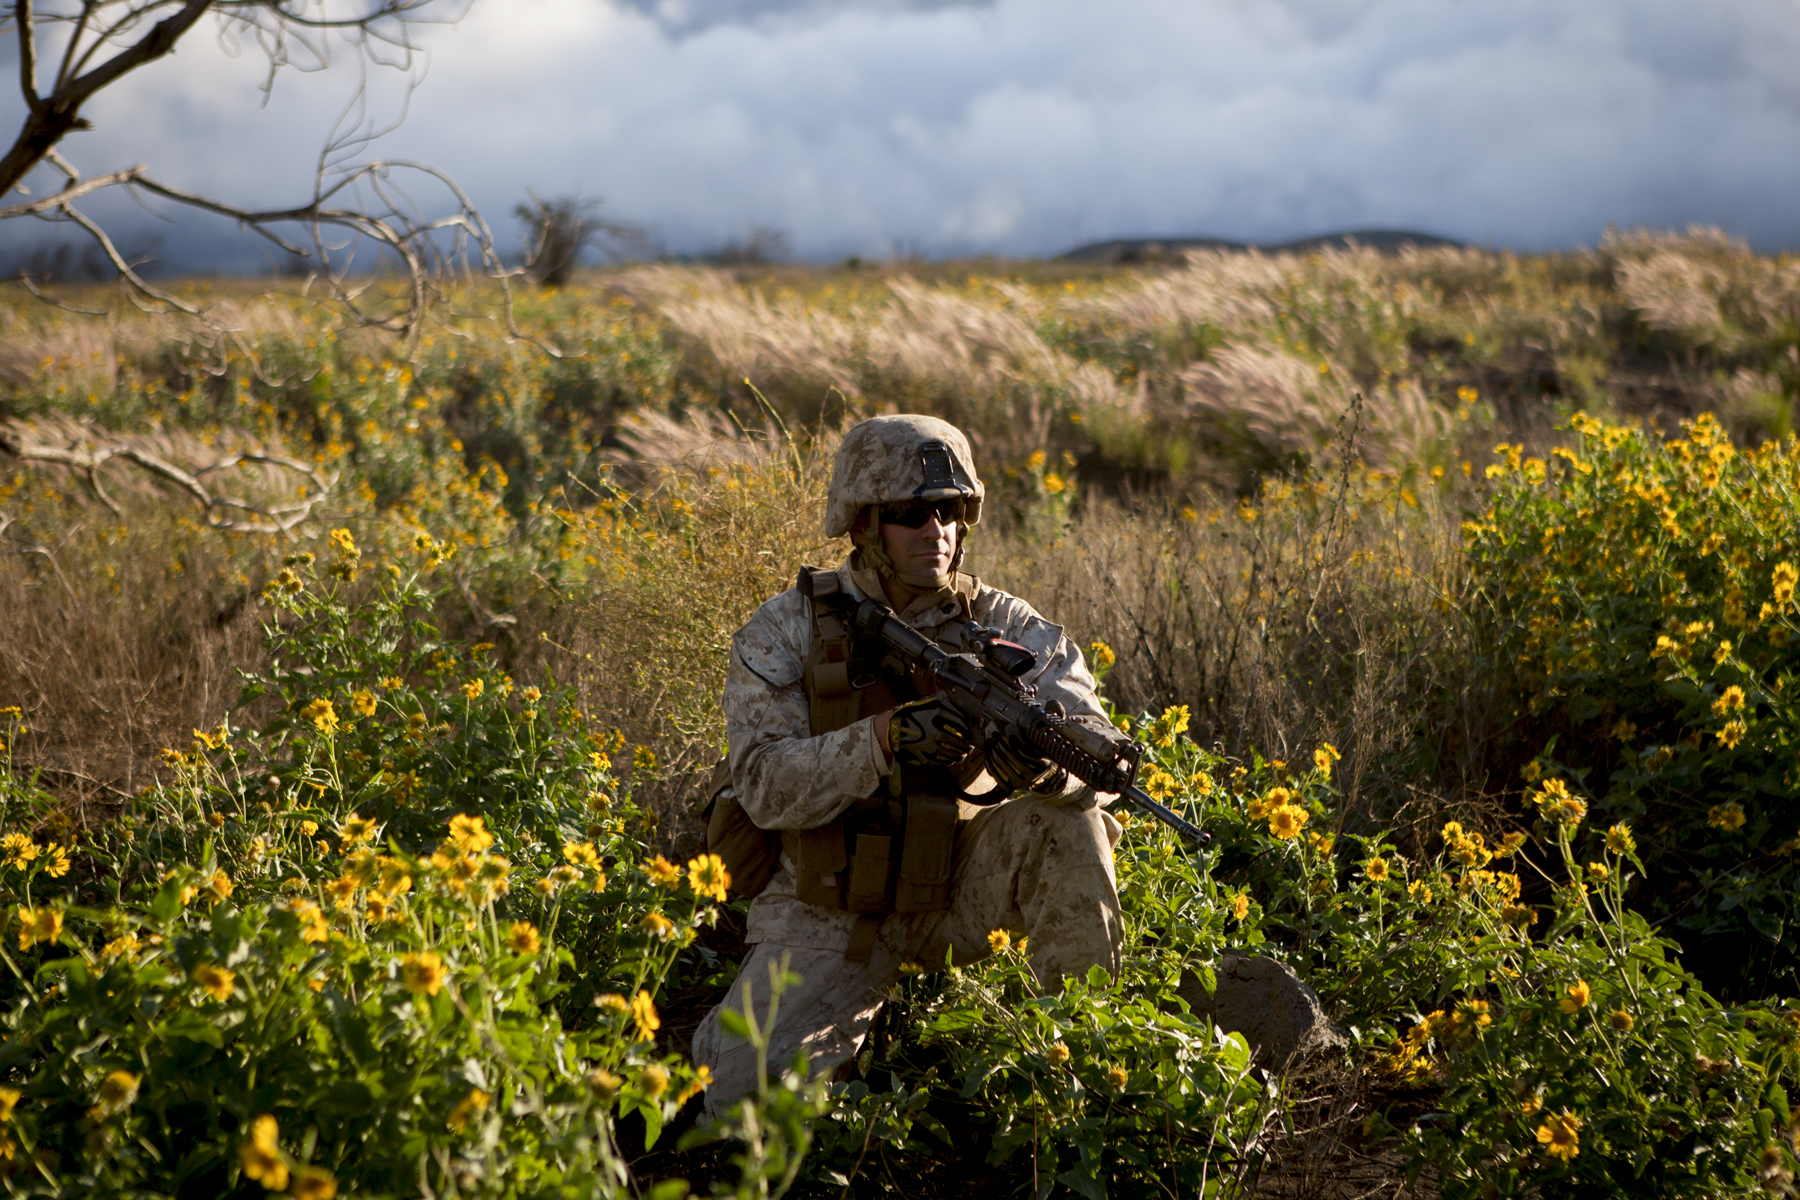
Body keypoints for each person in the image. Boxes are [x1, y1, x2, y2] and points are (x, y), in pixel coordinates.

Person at [691, 415, 1124, 1114]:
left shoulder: (1006, 625)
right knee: (743, 1109)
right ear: (864, 524)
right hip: (827, 908)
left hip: (956, 890)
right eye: (910, 513)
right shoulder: (786, 628)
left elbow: (1094, 743)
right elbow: (764, 786)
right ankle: (749, 1043)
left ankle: (1080, 1076)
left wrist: (1048, 771)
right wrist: (883, 739)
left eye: (950, 509)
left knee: (1071, 825)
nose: (936, 530)